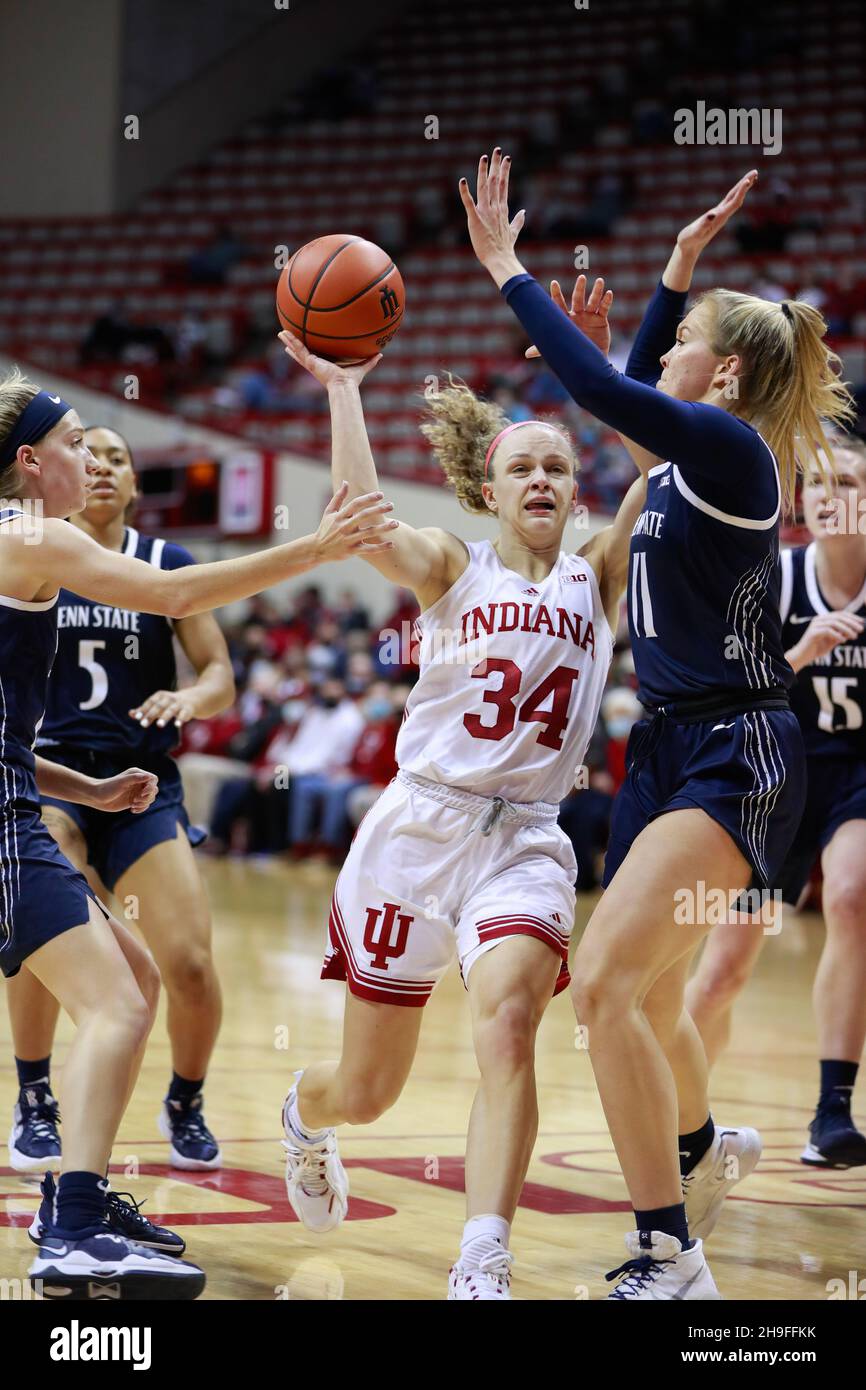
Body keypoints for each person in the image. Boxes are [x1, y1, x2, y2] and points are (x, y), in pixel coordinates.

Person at [460, 151, 854, 1298]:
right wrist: (675, 270)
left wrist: (505, 269)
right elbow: (628, 380)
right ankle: (700, 1147)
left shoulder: (733, 454)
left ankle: (667, 1255)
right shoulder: (681, 465)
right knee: (651, 995)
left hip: (737, 748)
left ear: (721, 374)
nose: (664, 350)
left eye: (682, 340)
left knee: (602, 987)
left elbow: (603, 389)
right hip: (666, 748)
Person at [276, 276, 649, 1300]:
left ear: (573, 489)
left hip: (524, 838)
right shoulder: (451, 565)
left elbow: (663, 463)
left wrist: (603, 369)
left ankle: (483, 1253)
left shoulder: (599, 573)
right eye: (521, 467)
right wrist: (343, 388)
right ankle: (306, 1118)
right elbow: (362, 524)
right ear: (488, 492)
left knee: (512, 1022)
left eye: (557, 467)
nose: (541, 479)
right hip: (417, 830)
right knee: (368, 1089)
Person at [0, 366, 395, 1298]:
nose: (88, 458)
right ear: (31, 461)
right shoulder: (29, 533)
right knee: (116, 1003)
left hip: (24, 793)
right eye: (73, 444)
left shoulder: (23, 543)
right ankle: (75, 1226)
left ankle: (73, 1199)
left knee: (140, 978)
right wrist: (317, 547)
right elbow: (175, 598)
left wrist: (87, 787)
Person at [6, 425, 234, 1178]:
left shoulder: (165, 562)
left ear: (137, 485)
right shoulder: (40, 548)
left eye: (118, 458)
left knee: (188, 964)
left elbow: (219, 675)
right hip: (52, 774)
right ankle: (35, 1096)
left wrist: (191, 699)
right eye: (89, 451)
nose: (101, 466)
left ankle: (186, 1101)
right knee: (47, 925)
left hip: (140, 781)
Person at [686, 437, 866, 1169]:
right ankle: (675, 1115)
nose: (829, 494)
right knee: (725, 970)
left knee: (852, 897)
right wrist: (798, 655)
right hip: (777, 778)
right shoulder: (776, 580)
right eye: (816, 482)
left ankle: (832, 1112)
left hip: (856, 775)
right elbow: (728, 695)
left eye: (847, 481)